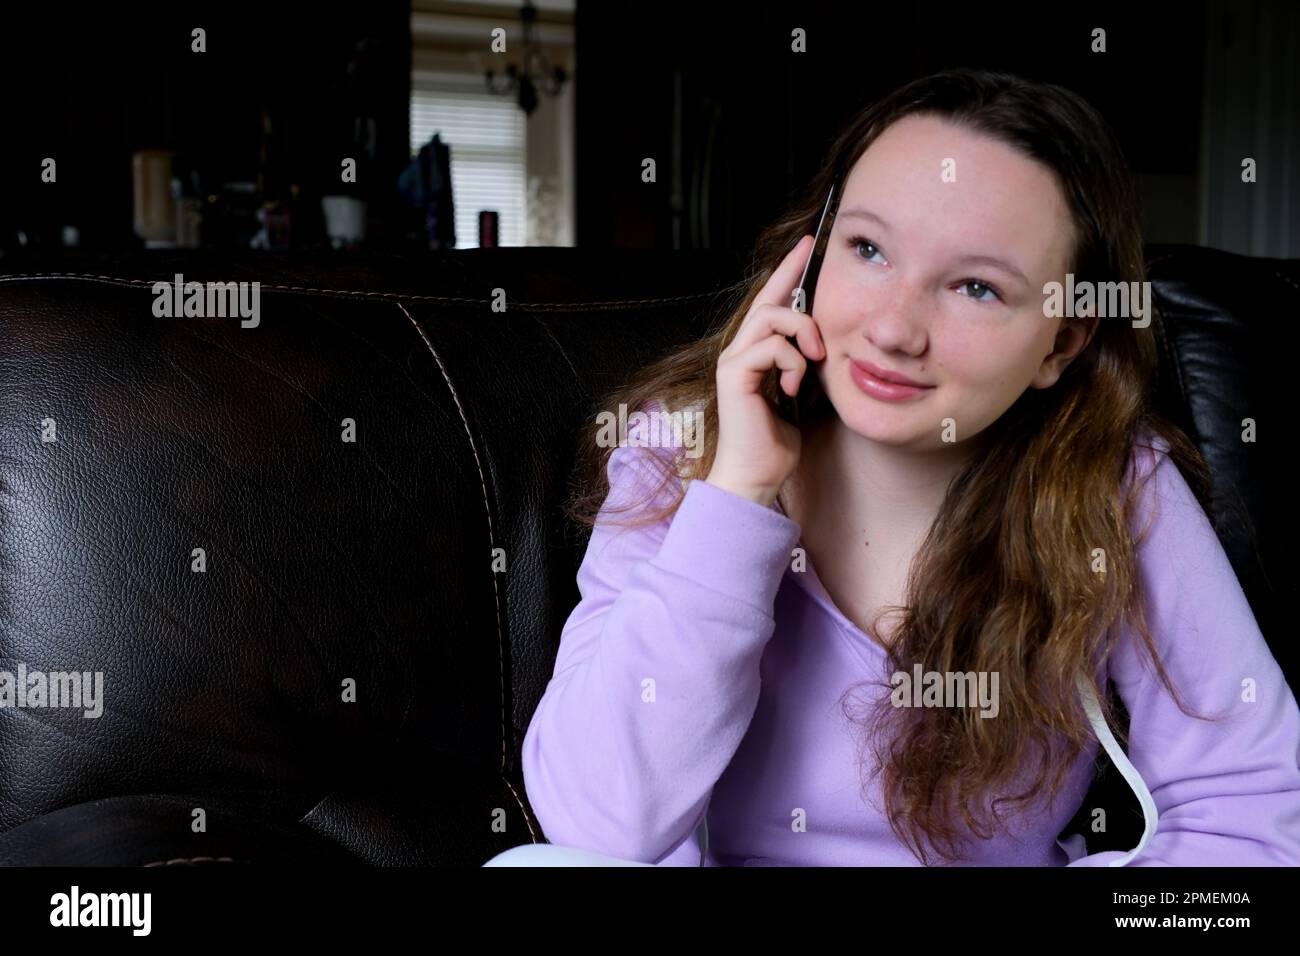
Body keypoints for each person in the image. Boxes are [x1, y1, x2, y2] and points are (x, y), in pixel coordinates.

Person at [486, 68, 1300, 867]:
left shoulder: (1116, 487)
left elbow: (1253, 813)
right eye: (869, 249)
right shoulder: (681, 450)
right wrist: (736, 495)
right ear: (809, 258)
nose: (893, 330)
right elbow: (595, 829)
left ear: (1062, 343)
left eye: (976, 288)